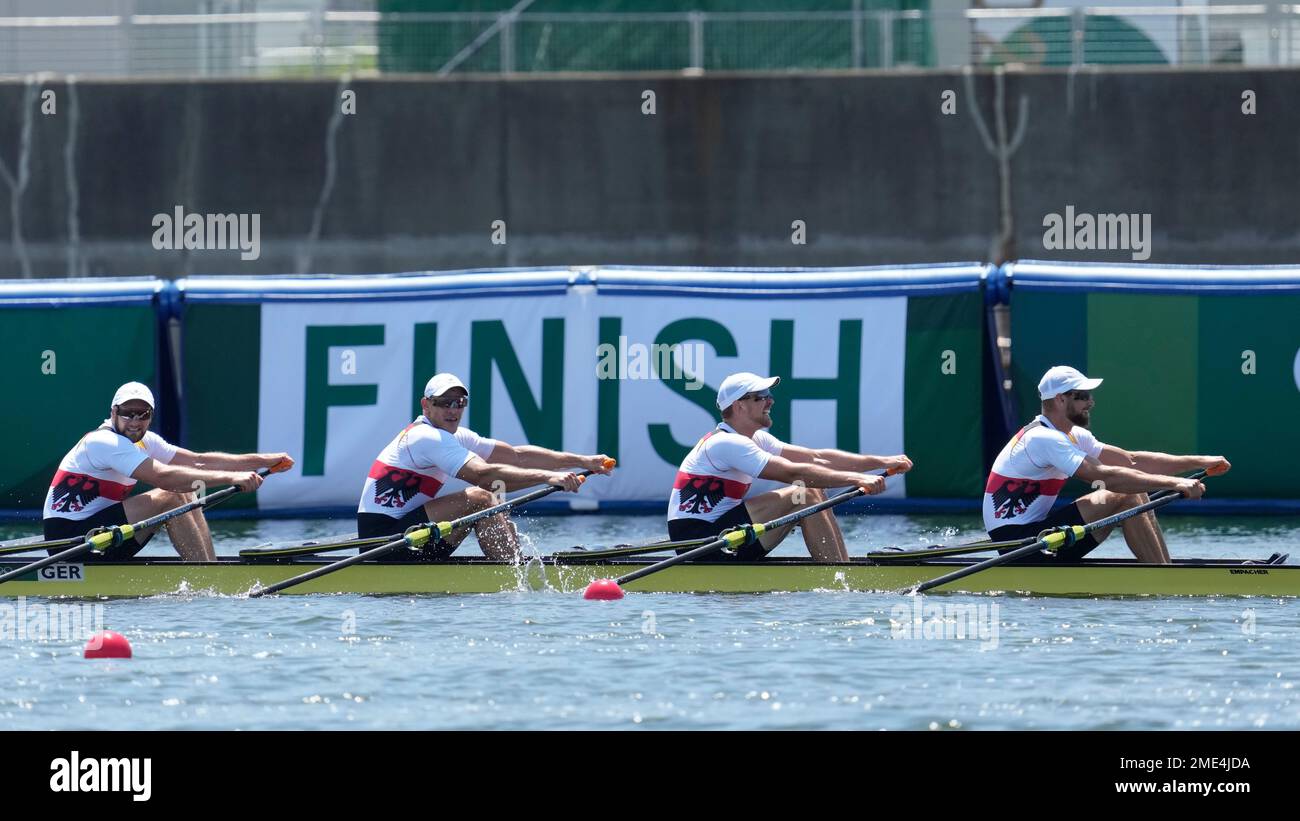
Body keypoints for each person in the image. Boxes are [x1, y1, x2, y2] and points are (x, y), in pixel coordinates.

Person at [983, 365, 1228, 563]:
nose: (1091, 402)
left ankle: (1165, 569)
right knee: (1123, 495)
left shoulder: (1072, 435)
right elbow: (1103, 476)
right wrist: (1176, 483)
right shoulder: (1042, 438)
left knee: (1135, 490)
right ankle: (1164, 578)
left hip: (1039, 536)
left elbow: (1131, 461)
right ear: (1059, 400)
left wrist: (1200, 461)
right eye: (1083, 396)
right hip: (1018, 544)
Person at [356, 373, 611, 560]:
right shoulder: (424, 437)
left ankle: (514, 566)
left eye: (459, 403)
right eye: (444, 402)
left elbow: (516, 456)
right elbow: (483, 476)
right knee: (482, 497)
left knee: (495, 503)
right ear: (426, 405)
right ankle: (514, 575)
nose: (453, 409)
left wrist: (582, 460)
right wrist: (549, 477)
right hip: (382, 542)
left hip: (412, 536)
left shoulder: (456, 435)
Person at [666, 372, 911, 562]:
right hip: (702, 544)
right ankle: (838, 578)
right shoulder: (726, 443)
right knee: (803, 492)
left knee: (813, 492)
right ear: (739, 406)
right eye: (761, 396)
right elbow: (795, 473)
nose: (770, 400)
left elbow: (816, 458)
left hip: (723, 535)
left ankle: (842, 569)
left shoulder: (756, 438)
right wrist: (858, 479)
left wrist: (882, 462)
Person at [43, 382, 291, 561]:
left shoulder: (146, 440)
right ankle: (206, 577)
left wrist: (265, 460)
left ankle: (209, 567)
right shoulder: (103, 442)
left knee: (187, 496)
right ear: (113, 413)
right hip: (70, 542)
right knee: (171, 494)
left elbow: (199, 462)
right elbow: (163, 476)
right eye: (128, 413)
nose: (135, 421)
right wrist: (232, 478)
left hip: (103, 535)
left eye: (143, 414)